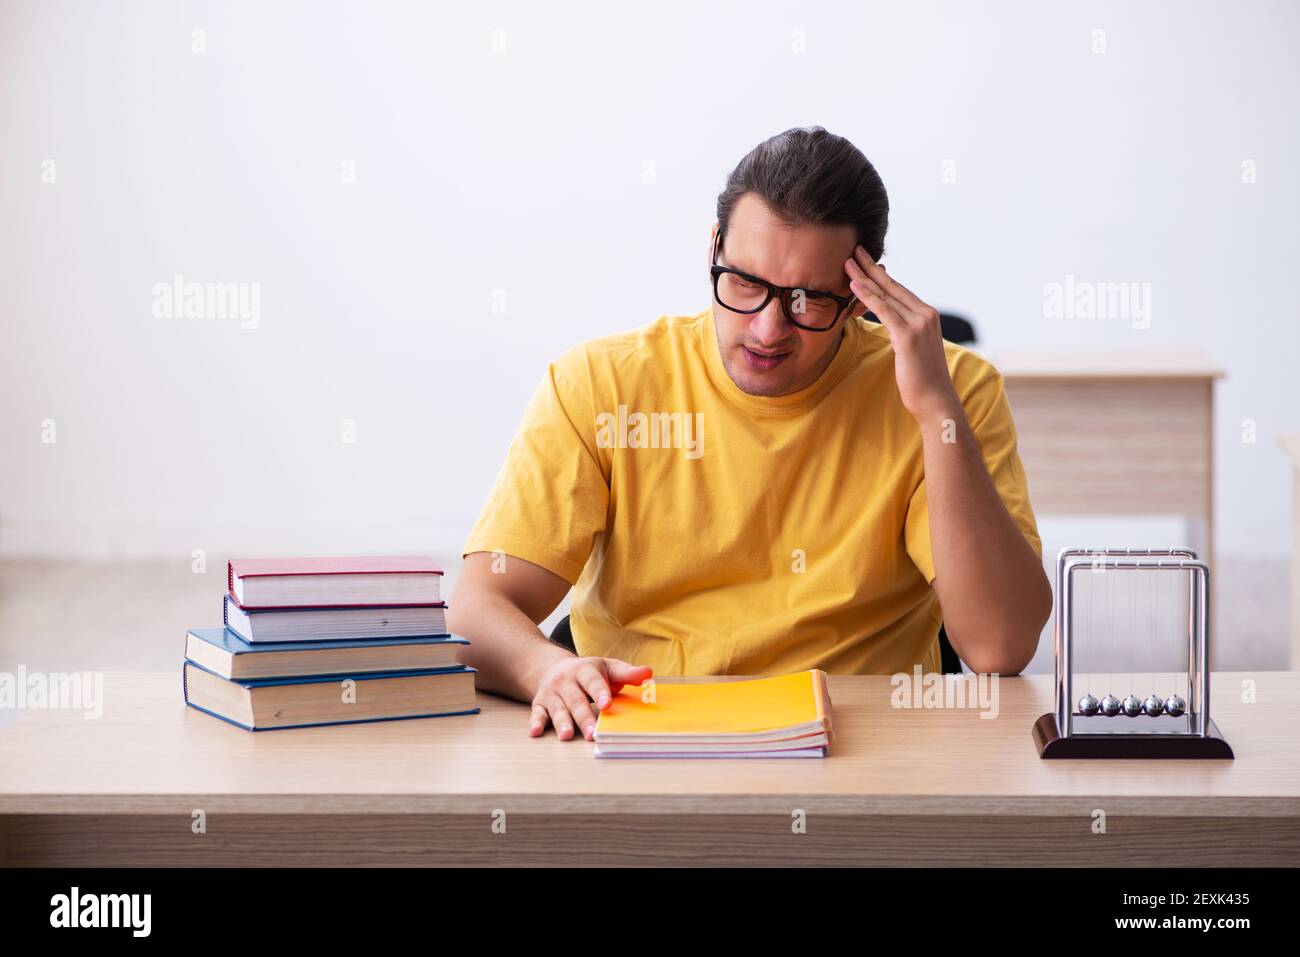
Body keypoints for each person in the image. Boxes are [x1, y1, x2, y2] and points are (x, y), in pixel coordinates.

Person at [448, 126, 1052, 741]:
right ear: (714, 247)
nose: (767, 330)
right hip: (644, 737)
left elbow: (999, 646)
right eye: (744, 283)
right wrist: (546, 668)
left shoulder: (952, 388)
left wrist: (937, 415)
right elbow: (477, 609)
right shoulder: (600, 385)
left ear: (862, 292)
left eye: (808, 300)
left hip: (866, 745)